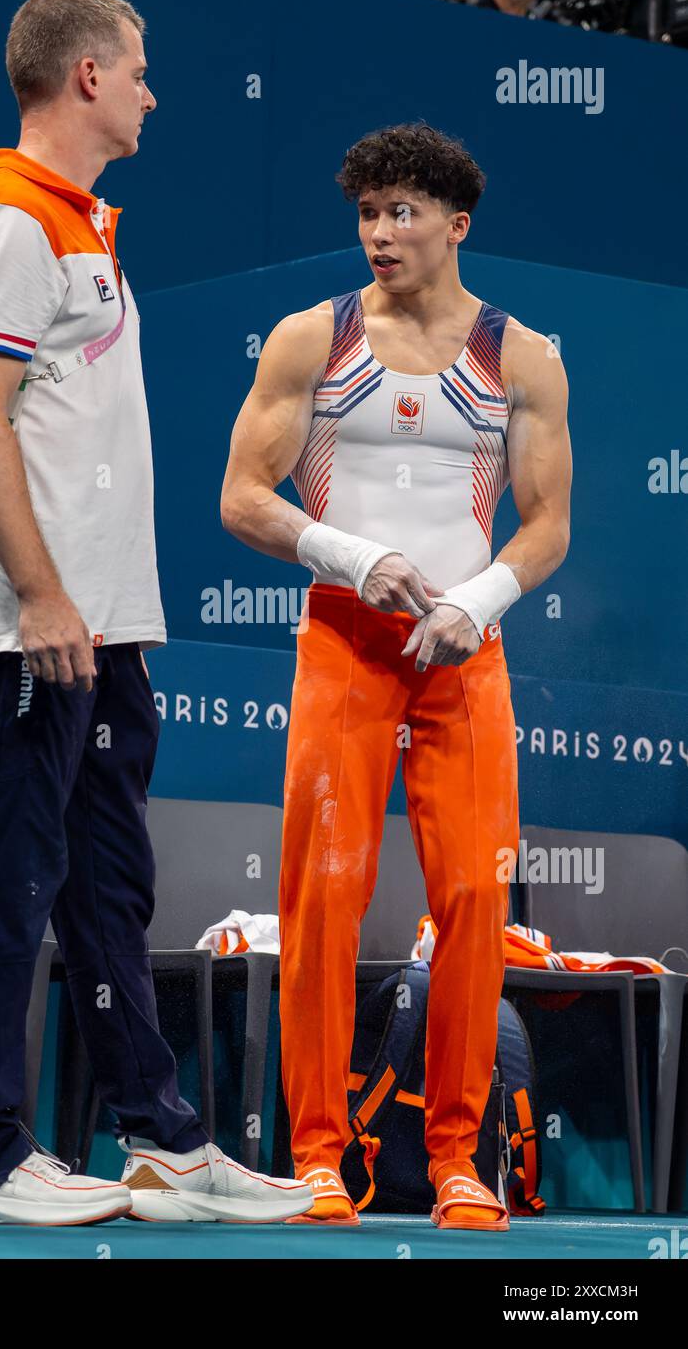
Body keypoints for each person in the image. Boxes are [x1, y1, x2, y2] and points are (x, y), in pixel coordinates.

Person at [0, 0, 312, 1227]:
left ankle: (156, 1132)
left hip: (101, 622)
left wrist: (85, 607)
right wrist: (41, 596)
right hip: (29, 618)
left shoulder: (82, 224)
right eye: (139, 68)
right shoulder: (5, 221)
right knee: (6, 874)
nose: (152, 90)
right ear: (86, 76)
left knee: (104, 881)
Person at [221, 122, 571, 1228]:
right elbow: (241, 496)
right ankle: (318, 1153)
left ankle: (458, 1157)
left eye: (402, 213)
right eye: (367, 213)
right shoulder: (305, 341)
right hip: (342, 638)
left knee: (472, 895)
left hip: (463, 652)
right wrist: (350, 554)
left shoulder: (520, 356)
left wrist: (474, 600)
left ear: (455, 225)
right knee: (323, 892)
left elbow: (548, 524)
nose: (379, 233)